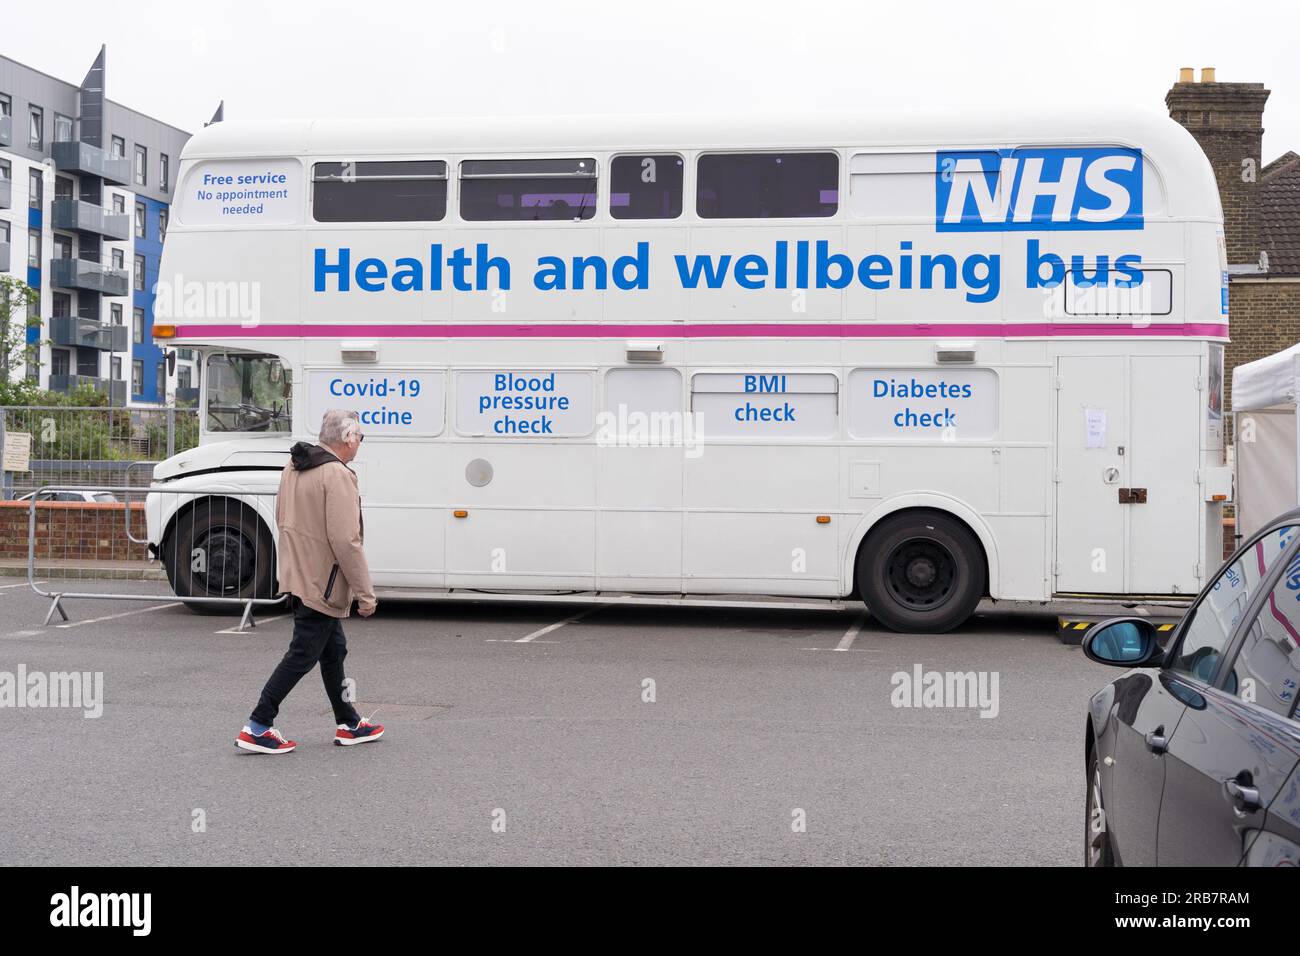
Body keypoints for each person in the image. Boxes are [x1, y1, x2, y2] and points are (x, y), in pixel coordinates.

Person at [235, 409, 384, 754]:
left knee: (334, 651)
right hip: (324, 583)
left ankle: (349, 722)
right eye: (360, 437)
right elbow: (347, 541)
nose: (360, 443)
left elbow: (285, 520)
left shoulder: (295, 466)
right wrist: (365, 594)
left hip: (299, 574)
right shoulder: (337, 475)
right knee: (302, 654)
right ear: (348, 438)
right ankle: (258, 724)